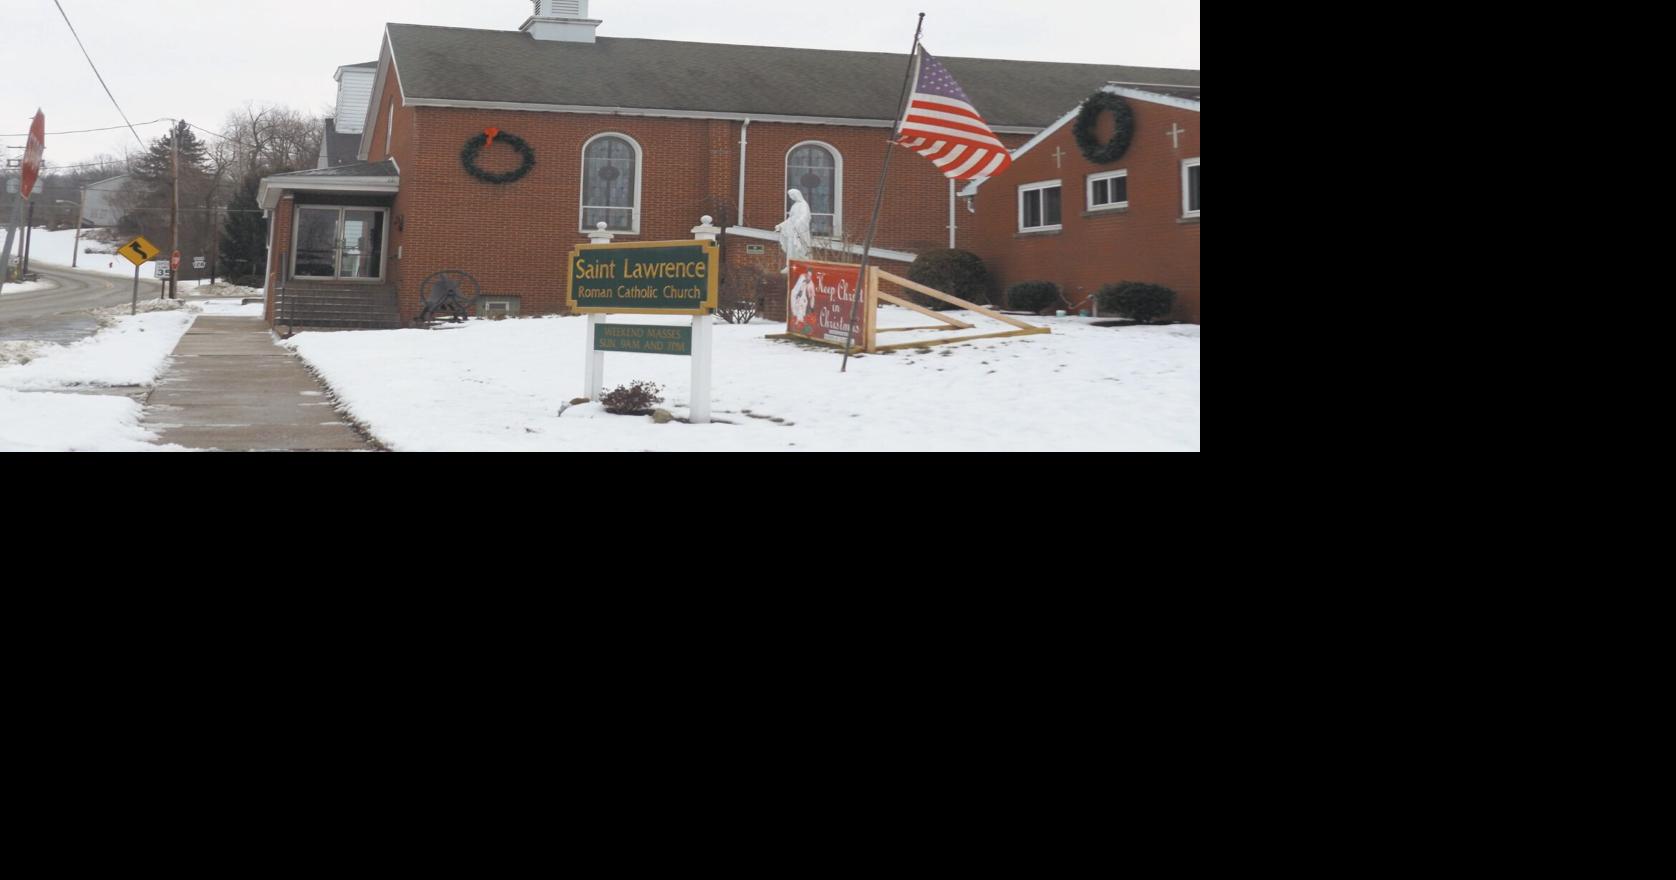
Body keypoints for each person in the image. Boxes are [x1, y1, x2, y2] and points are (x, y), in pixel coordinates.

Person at [775, 189, 813, 274]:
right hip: (791, 231)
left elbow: (805, 216)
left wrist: (798, 223)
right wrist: (780, 225)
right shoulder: (794, 205)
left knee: (800, 249)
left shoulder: (804, 204)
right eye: (790, 196)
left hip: (800, 231)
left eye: (792, 195)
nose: (791, 197)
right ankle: (790, 265)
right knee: (791, 249)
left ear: (797, 195)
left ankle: (803, 265)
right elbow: (790, 219)